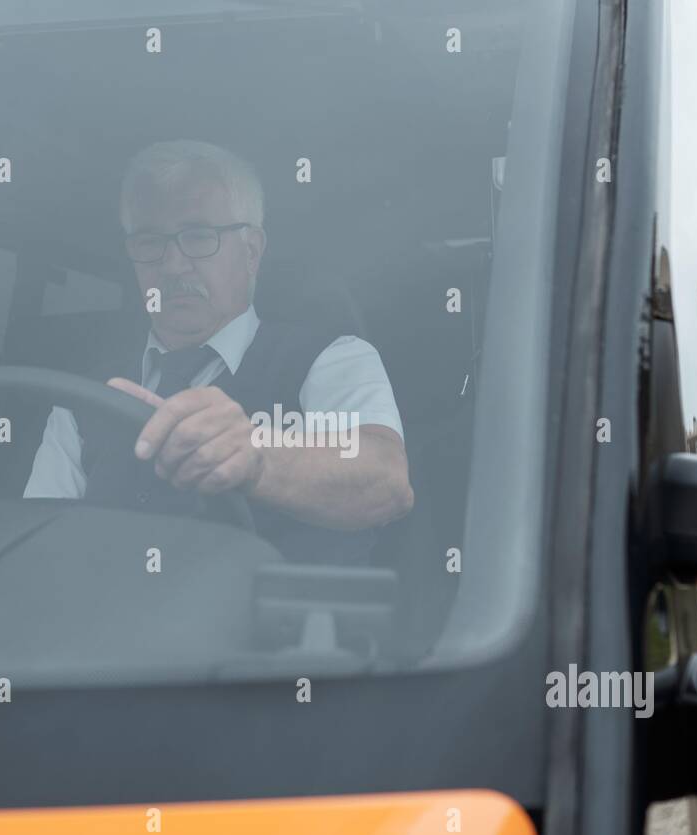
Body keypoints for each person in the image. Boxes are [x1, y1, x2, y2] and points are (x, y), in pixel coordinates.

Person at [24, 140, 412, 563]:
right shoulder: (82, 400)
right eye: (151, 242)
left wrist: (256, 456)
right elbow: (38, 547)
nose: (173, 266)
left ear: (251, 251)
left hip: (272, 627)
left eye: (198, 236)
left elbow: (385, 481)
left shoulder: (331, 360)